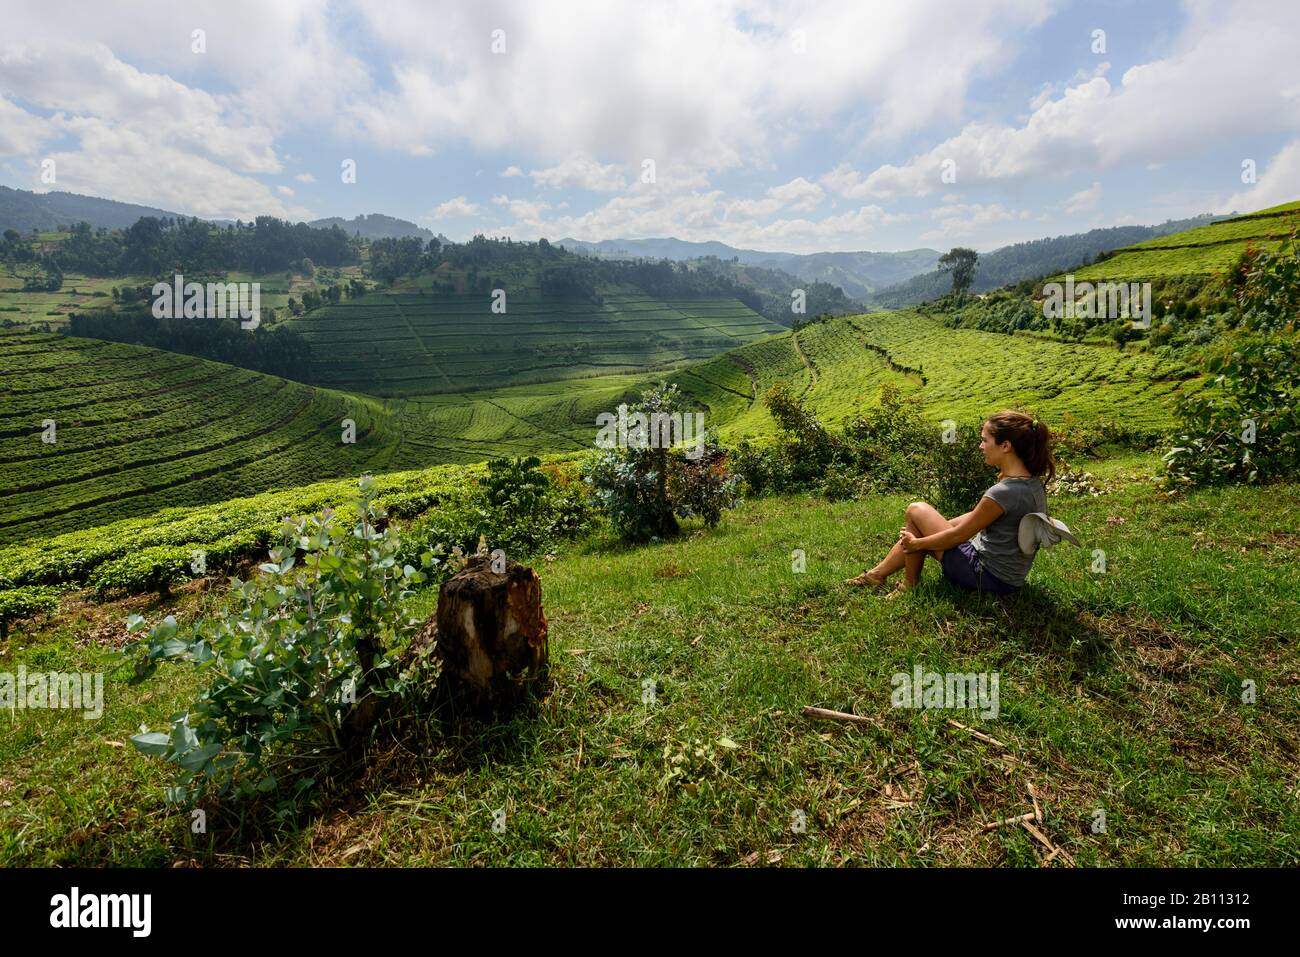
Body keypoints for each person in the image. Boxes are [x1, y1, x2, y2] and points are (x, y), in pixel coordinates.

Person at [844, 411, 1056, 598]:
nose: (981, 446)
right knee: (919, 520)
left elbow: (958, 536)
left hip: (985, 577)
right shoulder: (1030, 482)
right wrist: (932, 527)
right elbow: (975, 517)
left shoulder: (1004, 492)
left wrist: (917, 543)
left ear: (1006, 446)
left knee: (915, 509)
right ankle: (876, 575)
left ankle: (909, 585)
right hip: (1009, 579)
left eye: (985, 440)